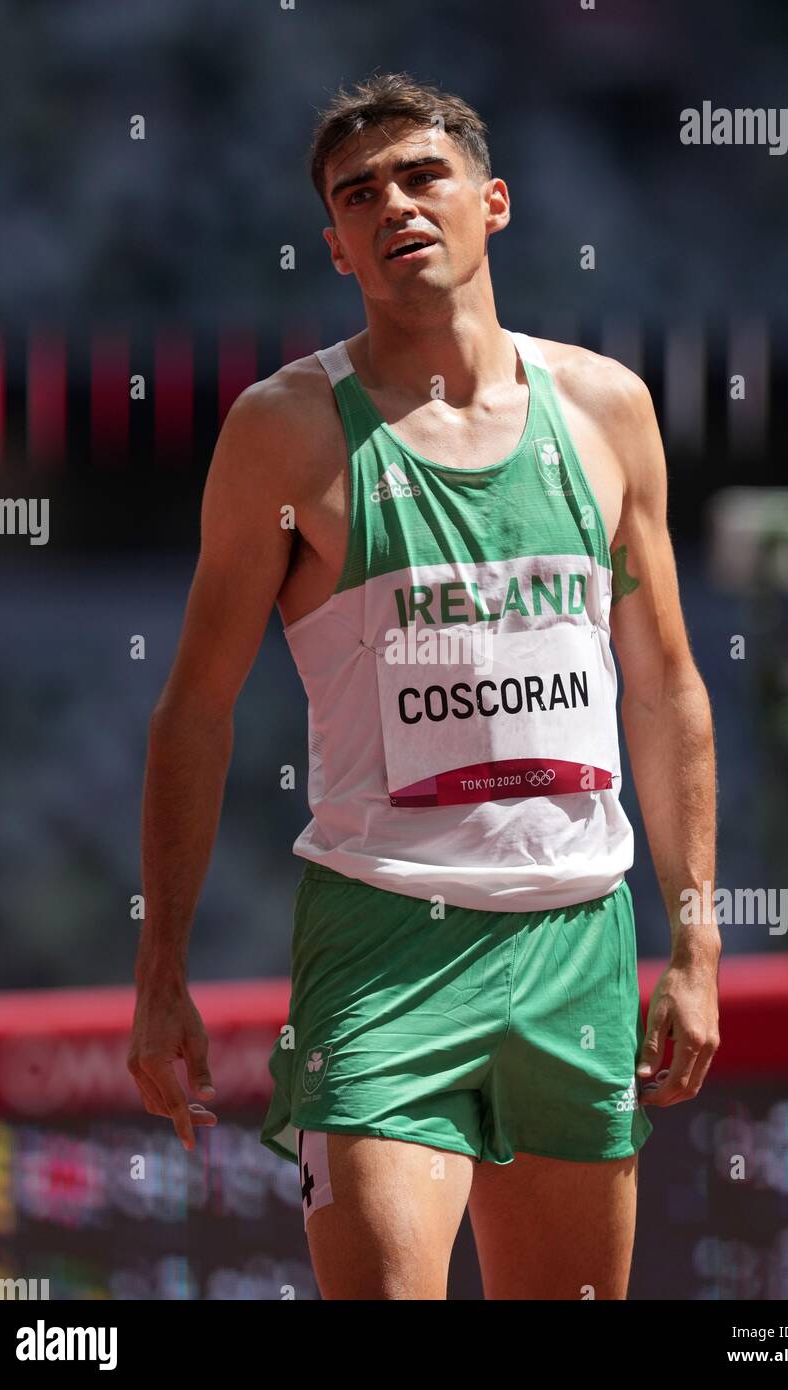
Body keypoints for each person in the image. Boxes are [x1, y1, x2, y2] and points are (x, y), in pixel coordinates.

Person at [128, 72, 720, 1301]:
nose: (394, 204)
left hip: (579, 944)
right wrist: (159, 971)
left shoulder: (606, 409)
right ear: (336, 244)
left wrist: (698, 936)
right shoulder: (285, 429)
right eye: (359, 193)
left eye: (421, 176)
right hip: (384, 945)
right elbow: (195, 706)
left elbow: (664, 685)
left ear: (490, 202)